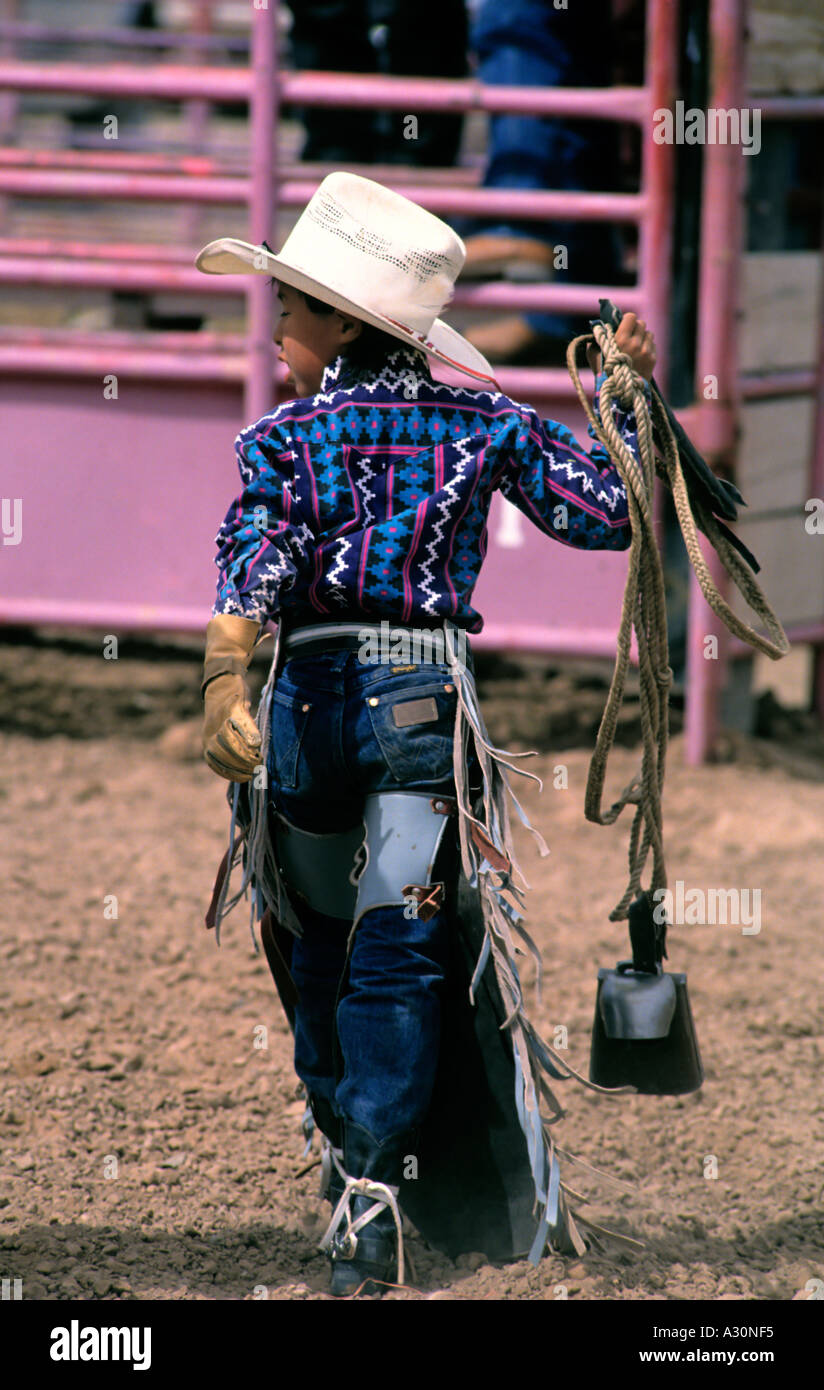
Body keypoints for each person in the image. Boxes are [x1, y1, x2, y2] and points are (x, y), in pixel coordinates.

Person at [195, 171, 655, 1297]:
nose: (280, 331)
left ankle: (347, 1162)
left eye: (293, 309)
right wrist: (630, 403)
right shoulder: (485, 421)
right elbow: (606, 513)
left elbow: (254, 562)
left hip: (303, 708)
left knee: (312, 939)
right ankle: (375, 1195)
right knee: (395, 949)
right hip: (419, 711)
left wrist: (222, 677)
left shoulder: (280, 438)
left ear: (344, 319)